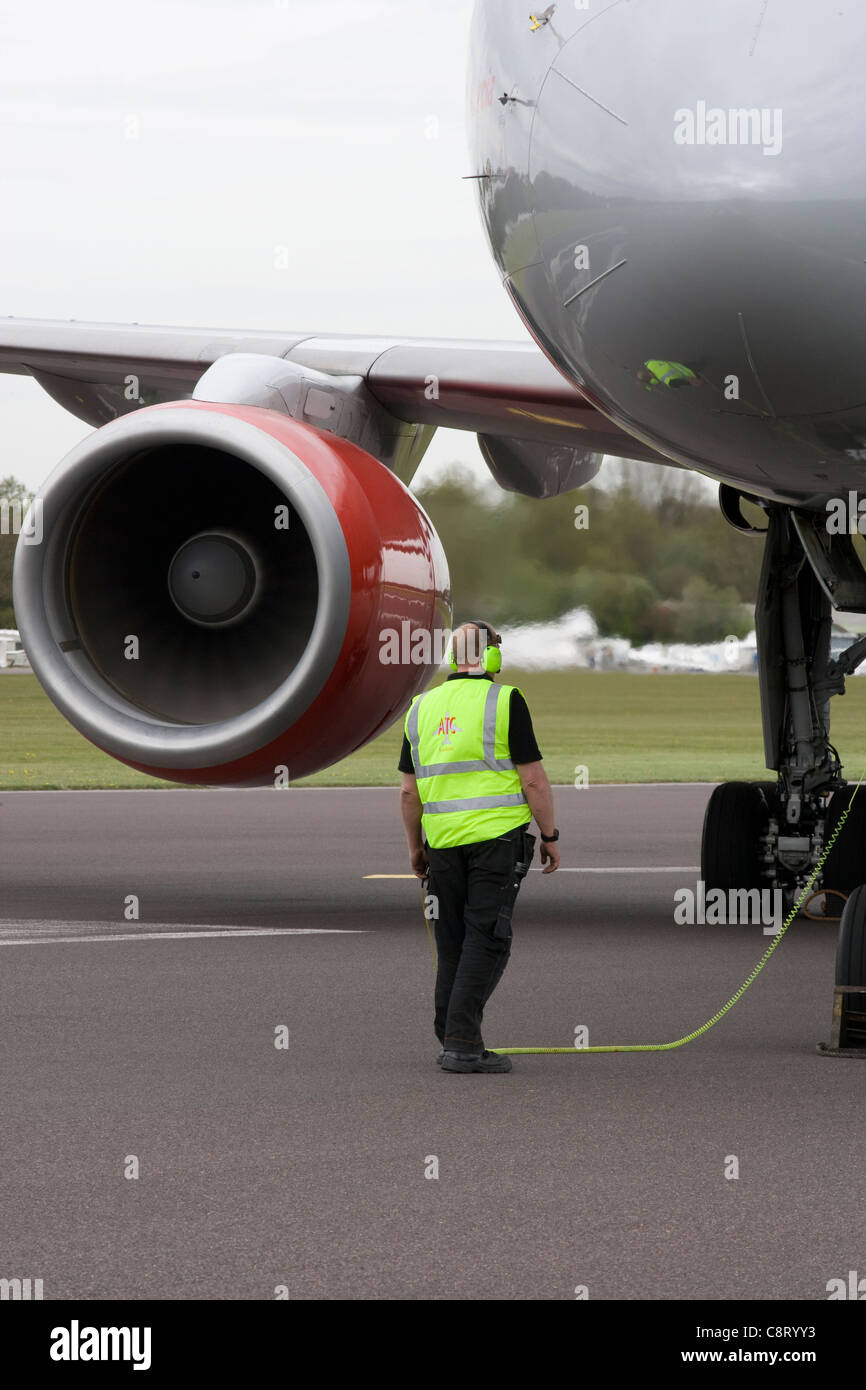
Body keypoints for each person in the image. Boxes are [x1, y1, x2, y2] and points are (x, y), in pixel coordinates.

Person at [398, 620, 560, 1074]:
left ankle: (449, 1033)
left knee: (452, 942)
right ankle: (463, 1043)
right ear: (490, 657)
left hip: (443, 844)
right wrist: (549, 836)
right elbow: (533, 778)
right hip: (496, 840)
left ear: (452, 656)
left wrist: (416, 847)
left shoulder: (420, 707)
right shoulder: (505, 700)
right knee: (488, 939)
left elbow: (409, 792)